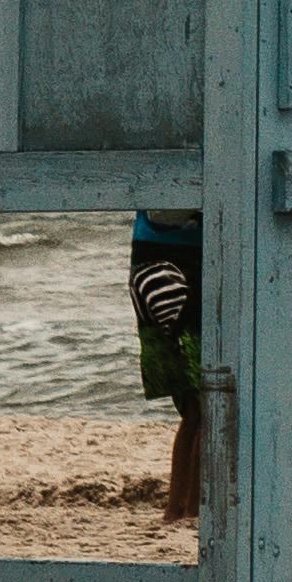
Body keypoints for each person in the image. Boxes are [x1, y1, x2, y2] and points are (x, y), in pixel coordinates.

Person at [128, 207, 204, 524]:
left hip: (150, 257)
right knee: (207, 409)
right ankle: (191, 509)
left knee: (196, 411)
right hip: (184, 261)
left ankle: (179, 508)